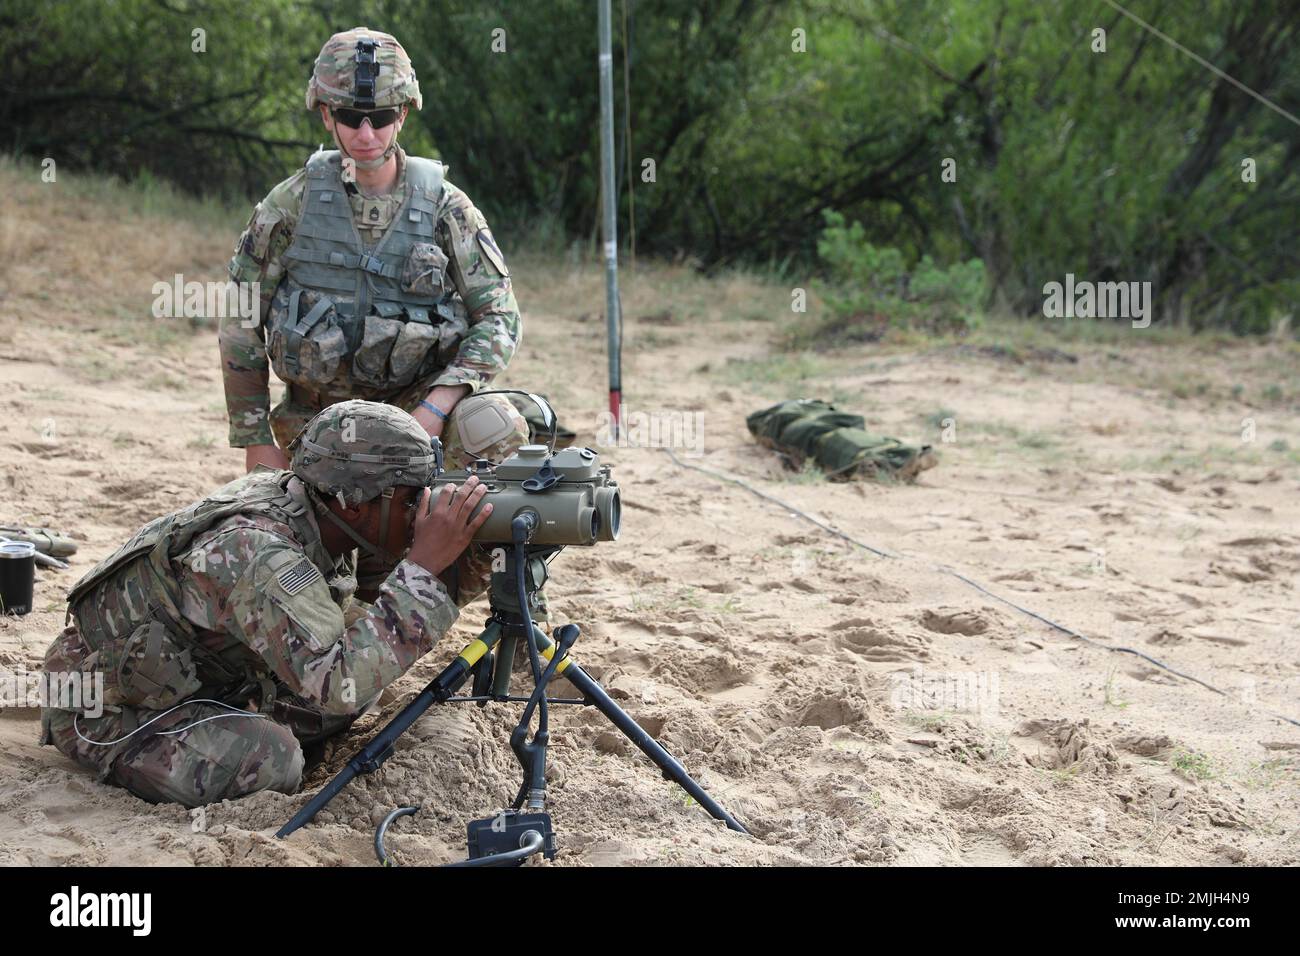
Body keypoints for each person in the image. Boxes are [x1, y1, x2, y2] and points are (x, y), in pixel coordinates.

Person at [39, 401, 490, 808]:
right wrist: (426, 566)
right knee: (274, 758)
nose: (424, 509)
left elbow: (376, 614)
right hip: (104, 704)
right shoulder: (257, 552)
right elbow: (338, 682)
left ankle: (232, 717)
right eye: (413, 497)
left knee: (363, 653)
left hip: (197, 675)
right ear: (355, 504)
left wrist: (467, 561)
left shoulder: (321, 508)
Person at [219, 25, 532, 604]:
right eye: (350, 116)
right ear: (325, 115)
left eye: (381, 117)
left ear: (404, 115)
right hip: (316, 431)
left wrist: (437, 407)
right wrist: (254, 436)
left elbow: (499, 316)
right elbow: (240, 320)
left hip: (418, 419)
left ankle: (506, 591)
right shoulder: (289, 207)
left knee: (501, 425)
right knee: (305, 588)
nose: (366, 133)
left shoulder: (445, 207)